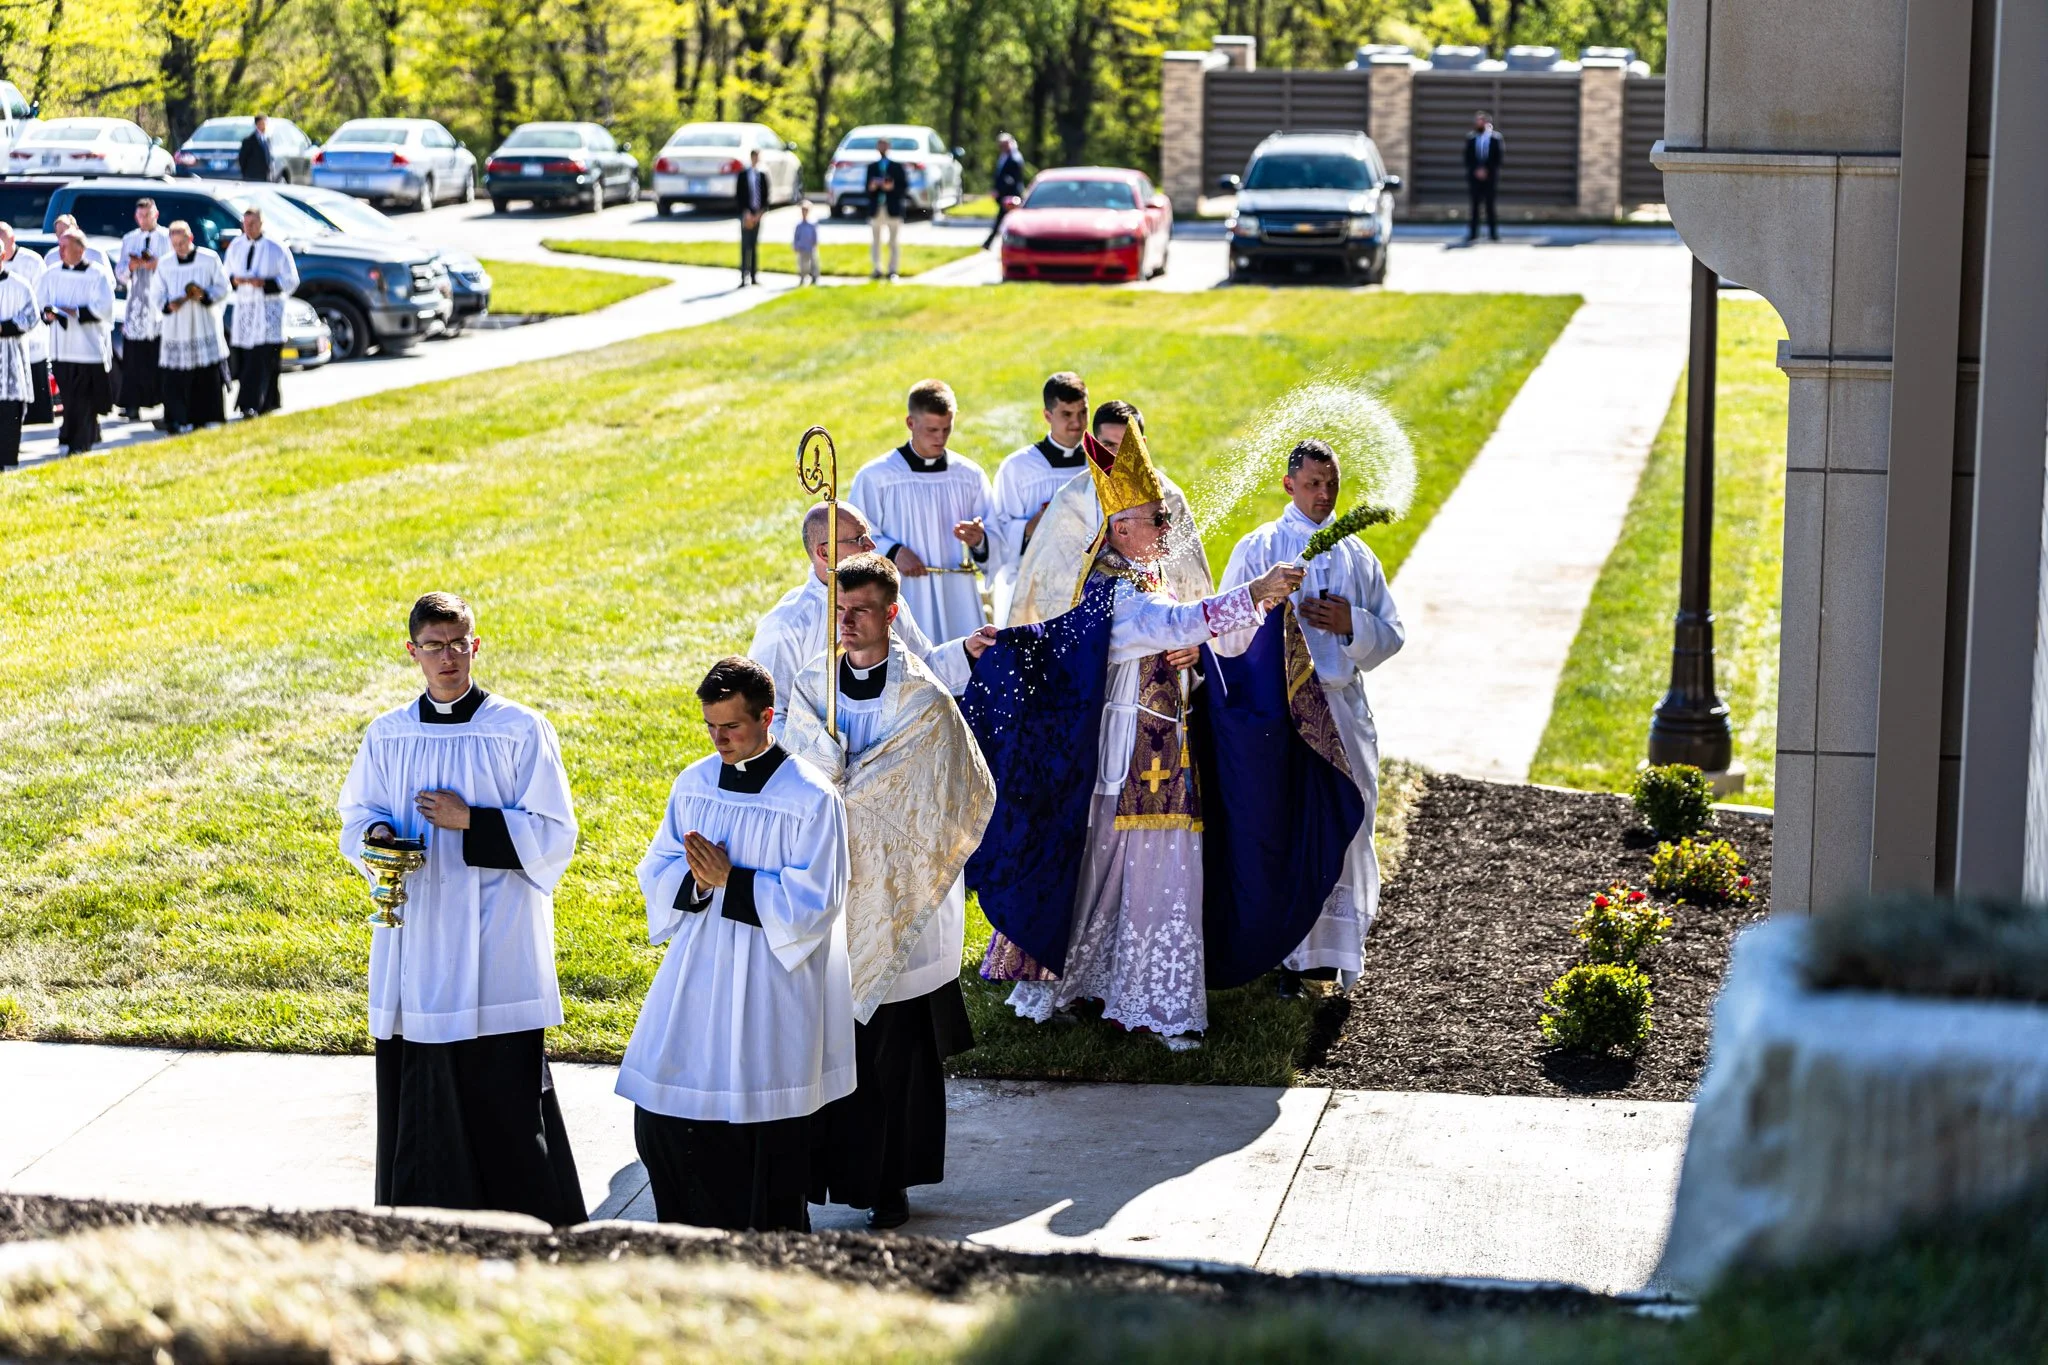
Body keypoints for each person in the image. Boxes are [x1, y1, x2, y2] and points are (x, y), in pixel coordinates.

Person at [964, 426, 1344, 1050]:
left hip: (1162, 749)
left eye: (1165, 515)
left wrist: (1193, 651)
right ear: (1118, 527)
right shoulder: (1113, 592)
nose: (1166, 526)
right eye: (1154, 517)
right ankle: (1145, 1003)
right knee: (1135, 871)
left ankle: (1118, 988)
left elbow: (1175, 634)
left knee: (1130, 871)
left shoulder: (1145, 581)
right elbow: (1168, 624)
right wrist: (1253, 593)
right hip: (1124, 756)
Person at [337, 592, 587, 1227]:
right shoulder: (389, 734)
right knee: (421, 1097)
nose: (447, 658)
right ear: (412, 652)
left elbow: (555, 833)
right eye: (434, 646)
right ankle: (417, 1225)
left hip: (495, 937)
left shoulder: (517, 729)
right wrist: (377, 842)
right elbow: (356, 814)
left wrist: (469, 821)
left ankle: (529, 1228)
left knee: (501, 1097)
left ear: (474, 646)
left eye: (458, 644)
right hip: (416, 936)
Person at [784, 553, 996, 1229]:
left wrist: (859, 786)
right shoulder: (811, 687)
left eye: (863, 611)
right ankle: (826, 1172)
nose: (847, 624)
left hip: (900, 892)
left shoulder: (925, 699)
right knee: (830, 1040)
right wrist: (827, 768)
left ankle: (891, 1181)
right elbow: (794, 761)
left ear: (892, 614)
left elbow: (953, 789)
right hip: (833, 889)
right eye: (839, 611)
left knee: (895, 1053)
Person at [614, 656, 853, 1231]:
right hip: (700, 965)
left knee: (761, 1110)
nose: (719, 739)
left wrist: (734, 881)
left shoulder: (809, 796)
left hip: (772, 977)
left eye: (732, 727)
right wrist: (695, 882)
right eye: (711, 727)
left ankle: (767, 1234)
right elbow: (659, 866)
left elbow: (817, 902)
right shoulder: (694, 783)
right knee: (670, 1102)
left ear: (767, 717)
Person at [1218, 439, 1404, 995]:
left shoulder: (1356, 556)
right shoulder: (1261, 549)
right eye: (1312, 484)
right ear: (1289, 485)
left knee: (1347, 823)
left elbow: (1391, 634)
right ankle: (1285, 954)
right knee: (1286, 823)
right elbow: (1225, 626)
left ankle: (1331, 952)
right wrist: (1268, 607)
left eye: (1332, 484)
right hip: (1283, 711)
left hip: (1341, 707)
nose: (1323, 495)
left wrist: (1353, 624)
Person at [1002, 399, 1209, 627]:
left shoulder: (1169, 498)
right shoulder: (1071, 500)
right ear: (1093, 448)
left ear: (1143, 445)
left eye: (1128, 447)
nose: (1117, 460)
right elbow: (1048, 583)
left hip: (1157, 630)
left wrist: (1190, 640)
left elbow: (1190, 580)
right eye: (1109, 447)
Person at [749, 500, 940, 739]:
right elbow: (769, 717)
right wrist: (829, 757)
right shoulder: (787, 624)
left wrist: (967, 652)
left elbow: (924, 665)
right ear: (825, 552)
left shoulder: (886, 602)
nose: (872, 545)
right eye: (859, 539)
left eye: (869, 536)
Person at [847, 378, 992, 643]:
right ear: (910, 423)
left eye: (946, 429)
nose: (940, 438)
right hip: (904, 593)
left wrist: (979, 540)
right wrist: (893, 552)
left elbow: (995, 531)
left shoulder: (968, 476)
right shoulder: (877, 476)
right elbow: (852, 541)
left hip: (956, 595)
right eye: (932, 430)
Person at [988, 371, 1090, 622]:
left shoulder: (1096, 464)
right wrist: (1035, 523)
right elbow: (998, 534)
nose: (1077, 423)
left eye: (1082, 412)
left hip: (1085, 585)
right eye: (1067, 414)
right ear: (1047, 415)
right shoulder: (1018, 467)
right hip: (1034, 588)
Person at [37, 231, 115, 457]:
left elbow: (105, 308)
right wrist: (49, 314)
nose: (60, 251)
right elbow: (41, 303)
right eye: (59, 246)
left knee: (85, 399)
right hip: (62, 349)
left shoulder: (97, 274)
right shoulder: (52, 274)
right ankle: (70, 438)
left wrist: (74, 311)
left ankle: (82, 442)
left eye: (65, 247)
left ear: (80, 250)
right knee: (70, 398)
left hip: (87, 349)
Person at [155, 220, 230, 433]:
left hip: (203, 323)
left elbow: (223, 286)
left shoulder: (208, 259)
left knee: (206, 374)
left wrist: (205, 296)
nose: (179, 247)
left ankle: (209, 417)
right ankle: (179, 419)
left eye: (182, 242)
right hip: (177, 327)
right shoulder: (166, 263)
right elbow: (156, 292)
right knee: (176, 377)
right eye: (175, 243)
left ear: (191, 238)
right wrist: (167, 304)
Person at [223, 207, 298, 418]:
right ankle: (259, 403)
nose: (249, 228)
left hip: (268, 313)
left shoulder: (276, 247)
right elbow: (224, 276)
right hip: (245, 312)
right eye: (246, 224)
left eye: (253, 224)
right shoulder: (236, 246)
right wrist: (234, 281)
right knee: (250, 360)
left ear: (262, 224)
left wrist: (265, 283)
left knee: (267, 359)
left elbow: (291, 280)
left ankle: (259, 403)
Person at [116, 197, 172, 423]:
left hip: (158, 304)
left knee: (159, 356)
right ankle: (132, 405)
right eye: (140, 216)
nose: (144, 220)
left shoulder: (167, 237)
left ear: (155, 215)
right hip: (137, 304)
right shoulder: (130, 239)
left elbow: (173, 266)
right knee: (134, 359)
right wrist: (131, 266)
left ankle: (162, 402)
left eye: (148, 215)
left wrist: (156, 264)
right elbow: (120, 273)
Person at [0, 224, 37, 469]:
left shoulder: (20, 285)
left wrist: (4, 328)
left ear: (3, 256)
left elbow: (31, 316)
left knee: (11, 414)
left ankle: (8, 460)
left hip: (11, 356)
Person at [7, 230, 49, 429]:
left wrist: (14, 323)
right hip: (3, 344)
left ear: (12, 239)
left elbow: (40, 298)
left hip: (29, 338)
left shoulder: (31, 262)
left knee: (29, 386)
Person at [866, 138, 907, 281]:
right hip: (877, 208)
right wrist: (873, 187)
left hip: (893, 208)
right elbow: (866, 189)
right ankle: (877, 269)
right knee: (876, 241)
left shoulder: (896, 167)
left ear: (889, 147)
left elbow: (904, 187)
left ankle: (892, 269)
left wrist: (891, 187)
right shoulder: (872, 167)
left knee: (893, 241)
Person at [982, 133, 1027, 250]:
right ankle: (989, 243)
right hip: (1005, 194)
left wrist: (999, 190)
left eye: (1003, 145)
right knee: (1004, 220)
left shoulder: (1014, 158)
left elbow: (1011, 180)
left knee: (1008, 220)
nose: (1001, 147)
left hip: (1011, 196)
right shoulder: (1005, 156)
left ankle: (989, 243)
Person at [1464, 110, 1502, 243]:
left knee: (1490, 206)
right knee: (1474, 206)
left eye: (1481, 121)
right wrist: (1476, 170)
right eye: (1477, 121)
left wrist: (1486, 170)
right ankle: (1473, 234)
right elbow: (1467, 158)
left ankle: (1493, 234)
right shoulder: (1471, 138)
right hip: (1475, 178)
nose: (1479, 124)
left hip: (1490, 178)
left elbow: (1498, 159)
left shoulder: (1496, 138)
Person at [737, 150, 769, 287]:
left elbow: (766, 197)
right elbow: (738, 196)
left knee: (754, 245)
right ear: (751, 158)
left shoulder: (762, 176)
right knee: (745, 245)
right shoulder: (743, 175)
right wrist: (746, 213)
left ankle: (754, 276)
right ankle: (744, 276)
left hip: (757, 214)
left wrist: (759, 214)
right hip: (746, 214)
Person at [240, 115, 276, 183]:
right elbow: (242, 159)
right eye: (263, 124)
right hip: (253, 177)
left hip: (266, 176)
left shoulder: (267, 139)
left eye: (266, 123)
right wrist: (247, 174)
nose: (265, 126)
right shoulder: (249, 141)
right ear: (258, 125)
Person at [792, 200, 821, 286]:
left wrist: (815, 243)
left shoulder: (812, 224)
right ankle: (802, 278)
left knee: (813, 263)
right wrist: (795, 245)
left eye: (806, 210)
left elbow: (815, 236)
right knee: (802, 264)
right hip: (802, 247)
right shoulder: (799, 225)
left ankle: (814, 277)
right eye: (803, 210)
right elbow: (796, 237)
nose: (804, 212)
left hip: (810, 247)